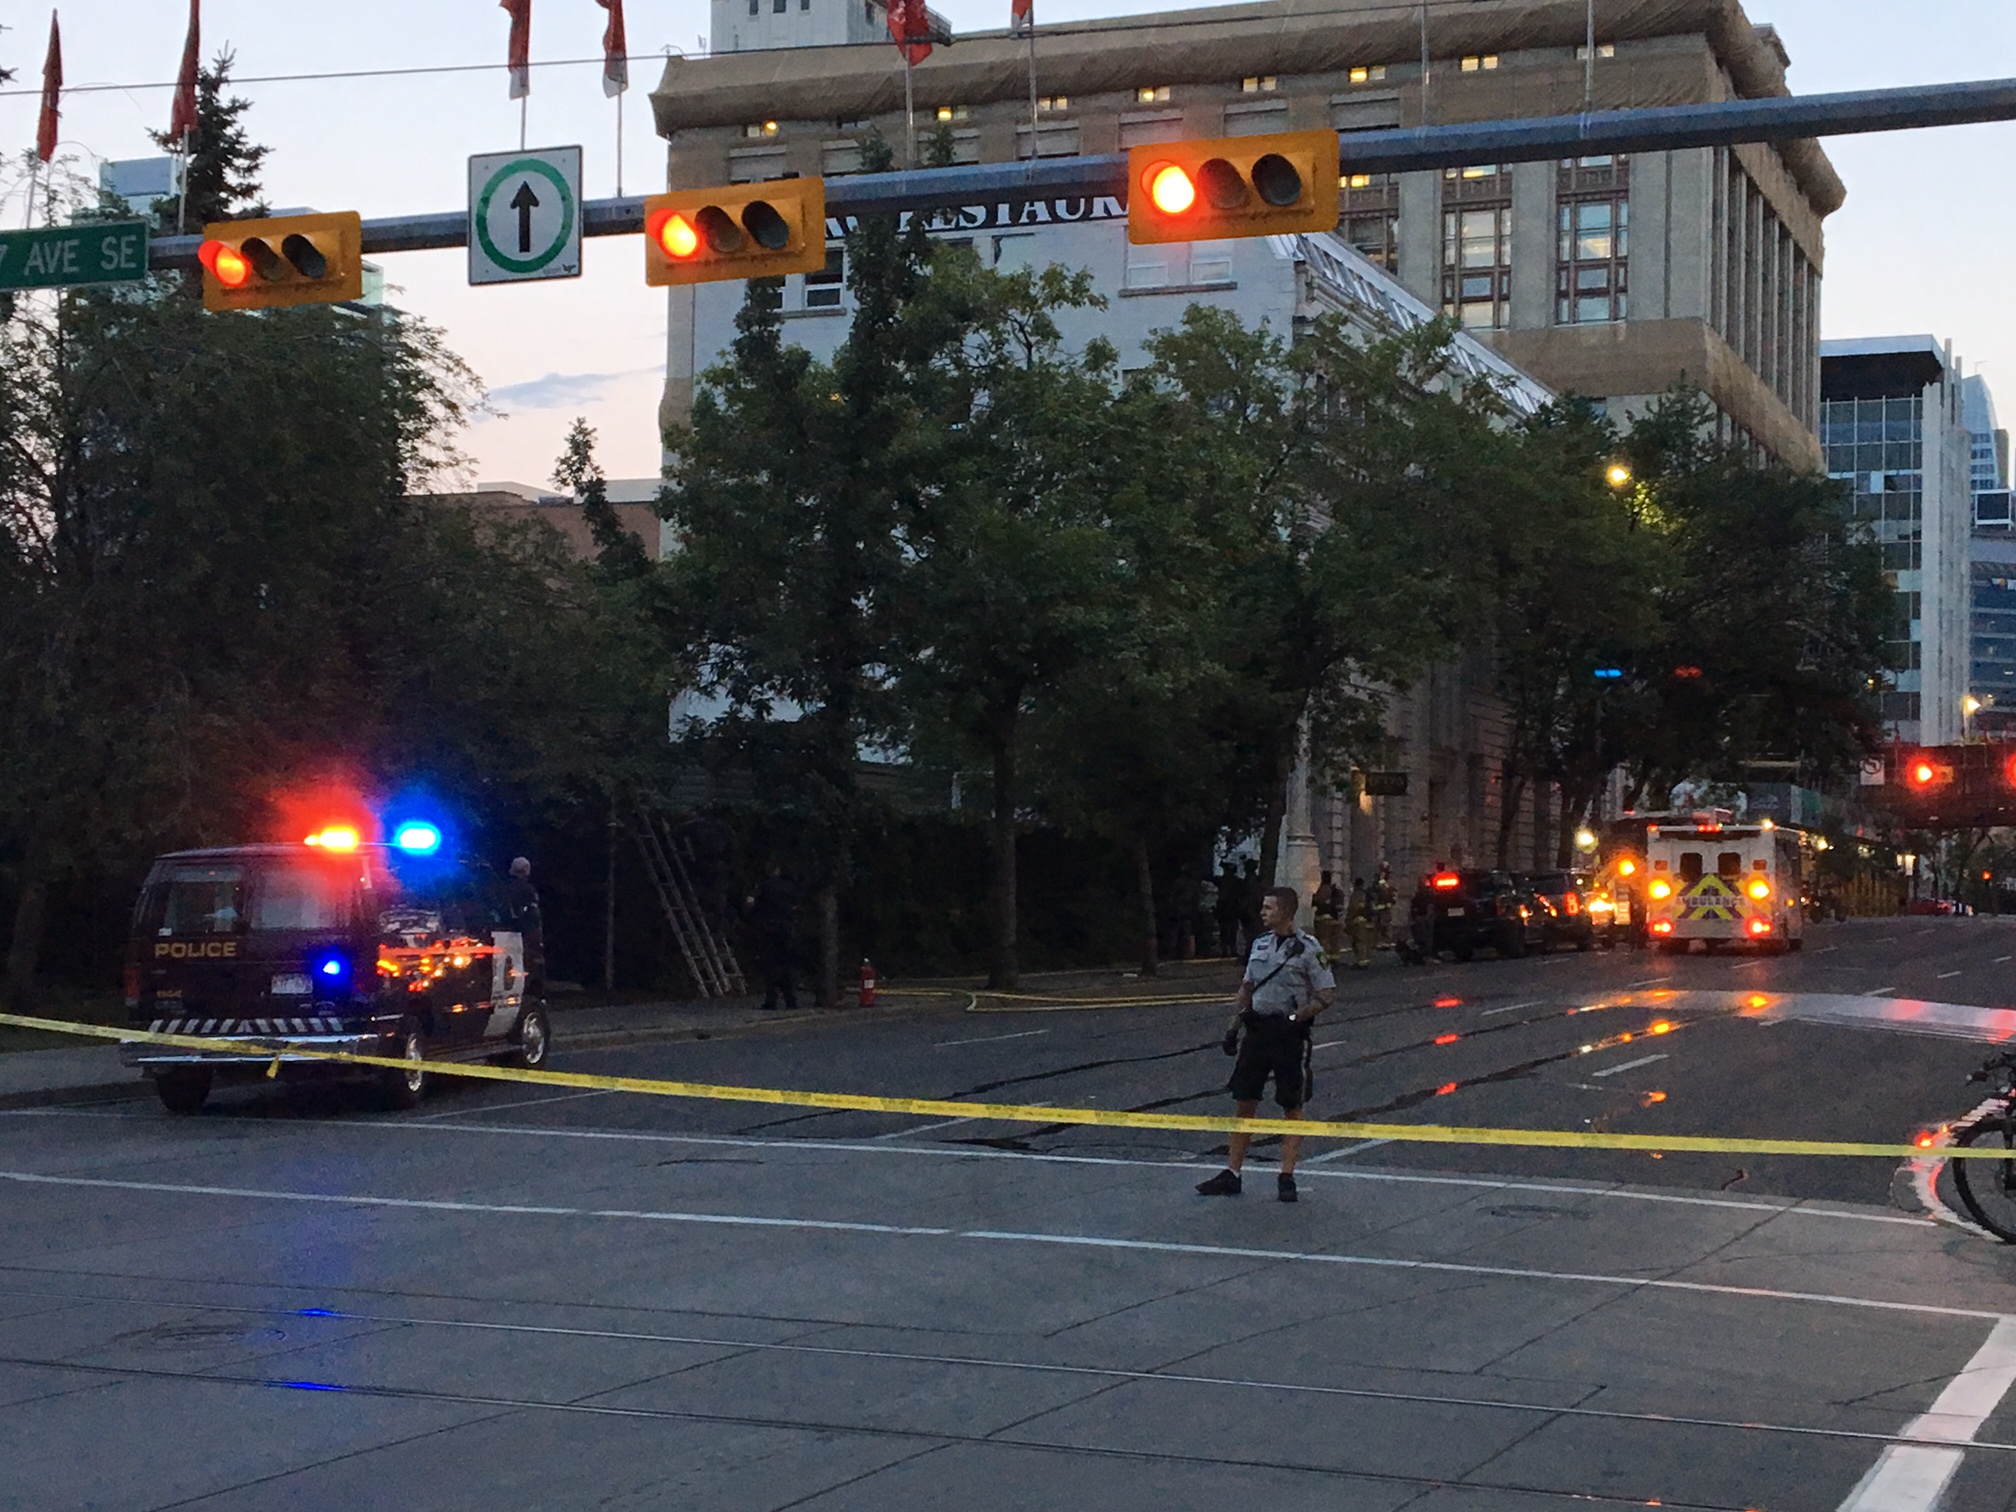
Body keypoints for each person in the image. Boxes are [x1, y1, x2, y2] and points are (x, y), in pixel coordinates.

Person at [1196, 886, 1337, 1203]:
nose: (1263, 912)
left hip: (1288, 1035)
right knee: (1245, 1099)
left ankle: (1286, 1176)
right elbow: (1246, 987)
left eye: (1269, 908)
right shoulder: (1259, 944)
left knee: (1292, 1105)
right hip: (1257, 1033)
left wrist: (1296, 1018)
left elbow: (1326, 995)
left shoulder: (1309, 949)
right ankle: (1232, 1173)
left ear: (1286, 912)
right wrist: (1235, 1026)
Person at [745, 862, 799, 1011]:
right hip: (786, 929)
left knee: (769, 965)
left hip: (769, 929)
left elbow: (751, 902)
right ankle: (790, 1000)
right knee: (786, 964)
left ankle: (771, 1000)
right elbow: (795, 905)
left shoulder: (764, 885)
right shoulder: (789, 886)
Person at [505, 857, 545, 997]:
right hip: (525, 936)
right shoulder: (528, 890)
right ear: (527, 871)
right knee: (528, 967)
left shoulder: (503, 888)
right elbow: (533, 916)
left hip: (503, 935)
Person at [1214, 863, 1244, 959]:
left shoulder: (1230, 881)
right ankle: (1227, 949)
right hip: (1228, 908)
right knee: (1228, 930)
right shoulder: (1236, 881)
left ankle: (1229, 949)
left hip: (1230, 908)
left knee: (1229, 930)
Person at [1347, 877, 1377, 969]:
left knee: (1359, 942)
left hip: (1359, 922)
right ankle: (1366, 961)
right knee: (1367, 942)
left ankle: (1361, 962)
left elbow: (1353, 908)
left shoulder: (1356, 895)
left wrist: (1348, 921)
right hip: (1369, 922)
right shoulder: (1367, 894)